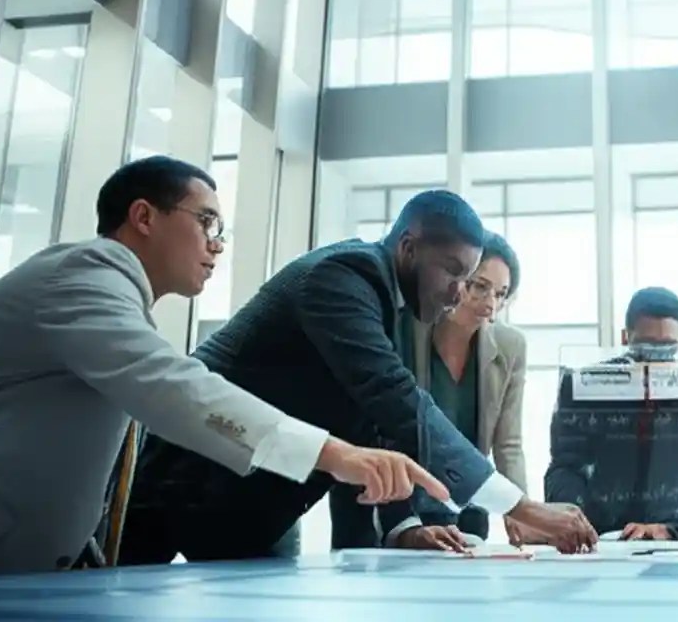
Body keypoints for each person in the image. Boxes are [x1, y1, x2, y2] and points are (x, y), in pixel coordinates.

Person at [0, 157, 440, 577]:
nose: (216, 243)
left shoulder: (115, 300)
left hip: (18, 564)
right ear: (144, 217)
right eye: (206, 222)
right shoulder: (82, 276)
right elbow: (175, 389)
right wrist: (333, 454)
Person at [120, 190, 595, 563]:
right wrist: (521, 507)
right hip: (185, 481)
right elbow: (396, 401)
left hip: (254, 500)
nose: (456, 293)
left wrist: (404, 527)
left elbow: (371, 424)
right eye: (453, 273)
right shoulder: (342, 279)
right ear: (409, 247)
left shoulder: (389, 305)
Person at [351, 232, 530, 550]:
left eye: (501, 294)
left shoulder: (509, 345)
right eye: (480, 286)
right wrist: (405, 526)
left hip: (466, 514)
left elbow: (509, 445)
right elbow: (381, 430)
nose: (490, 305)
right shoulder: (404, 328)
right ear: (456, 279)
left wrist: (521, 510)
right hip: (396, 509)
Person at [544, 287, 678, 542]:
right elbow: (564, 467)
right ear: (626, 337)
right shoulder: (583, 387)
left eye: (667, 347)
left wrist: (674, 529)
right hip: (597, 538)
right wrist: (574, 520)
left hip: (677, 540)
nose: (655, 359)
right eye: (647, 346)